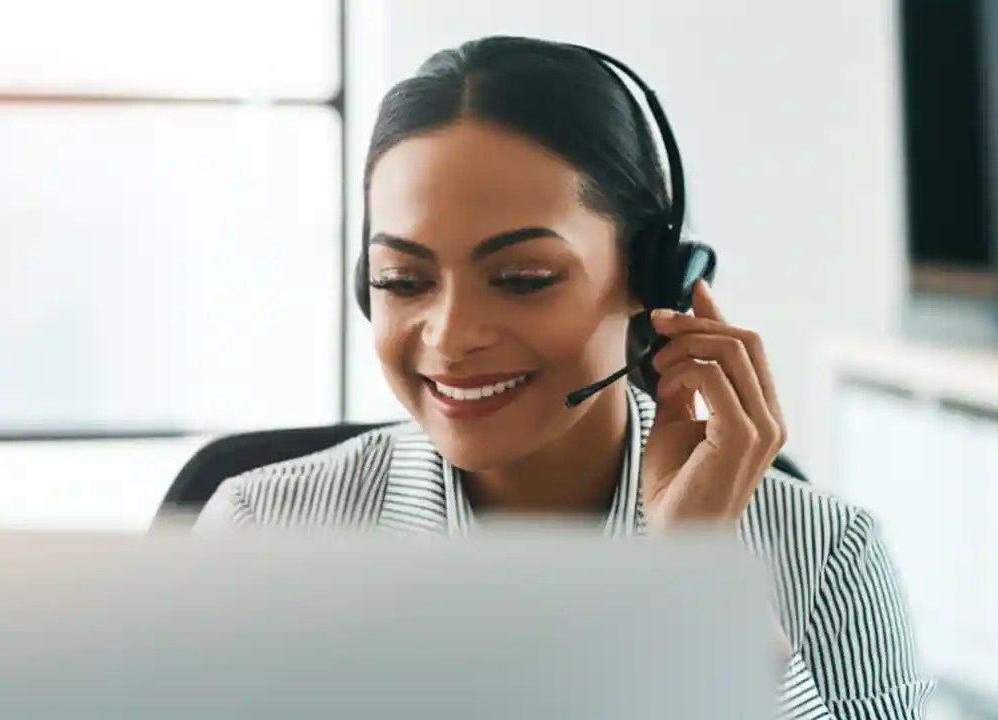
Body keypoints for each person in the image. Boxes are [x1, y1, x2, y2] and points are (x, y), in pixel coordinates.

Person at [196, 35, 933, 718]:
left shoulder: (827, 561)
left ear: (654, 280)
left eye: (521, 278)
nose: (451, 338)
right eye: (403, 280)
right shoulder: (266, 538)